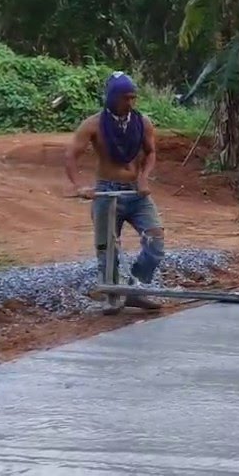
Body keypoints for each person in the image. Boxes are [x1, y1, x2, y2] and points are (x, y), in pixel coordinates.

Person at [65, 72, 165, 315]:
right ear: (111, 97)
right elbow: (71, 155)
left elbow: (150, 152)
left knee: (156, 241)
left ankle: (136, 288)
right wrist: (80, 186)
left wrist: (143, 177)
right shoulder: (94, 124)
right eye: (124, 98)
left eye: (133, 97)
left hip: (136, 193)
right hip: (107, 193)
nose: (129, 103)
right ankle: (113, 294)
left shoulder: (143, 122)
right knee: (107, 248)